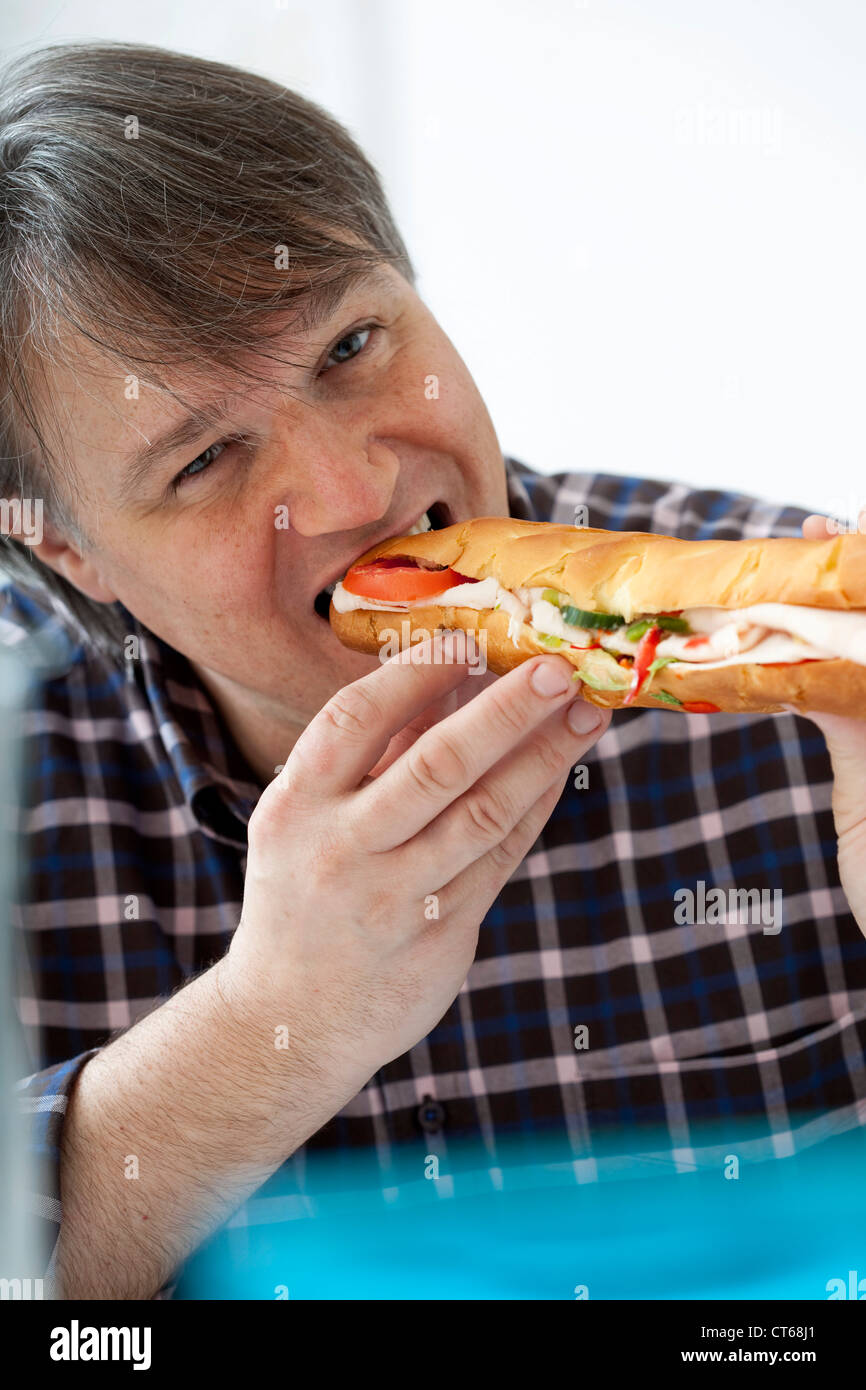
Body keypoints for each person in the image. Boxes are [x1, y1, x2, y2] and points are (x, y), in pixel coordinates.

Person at [1, 41, 864, 1302]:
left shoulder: (797, 644)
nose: (355, 491)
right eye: (203, 462)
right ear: (74, 552)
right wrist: (271, 1025)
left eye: (351, 344)